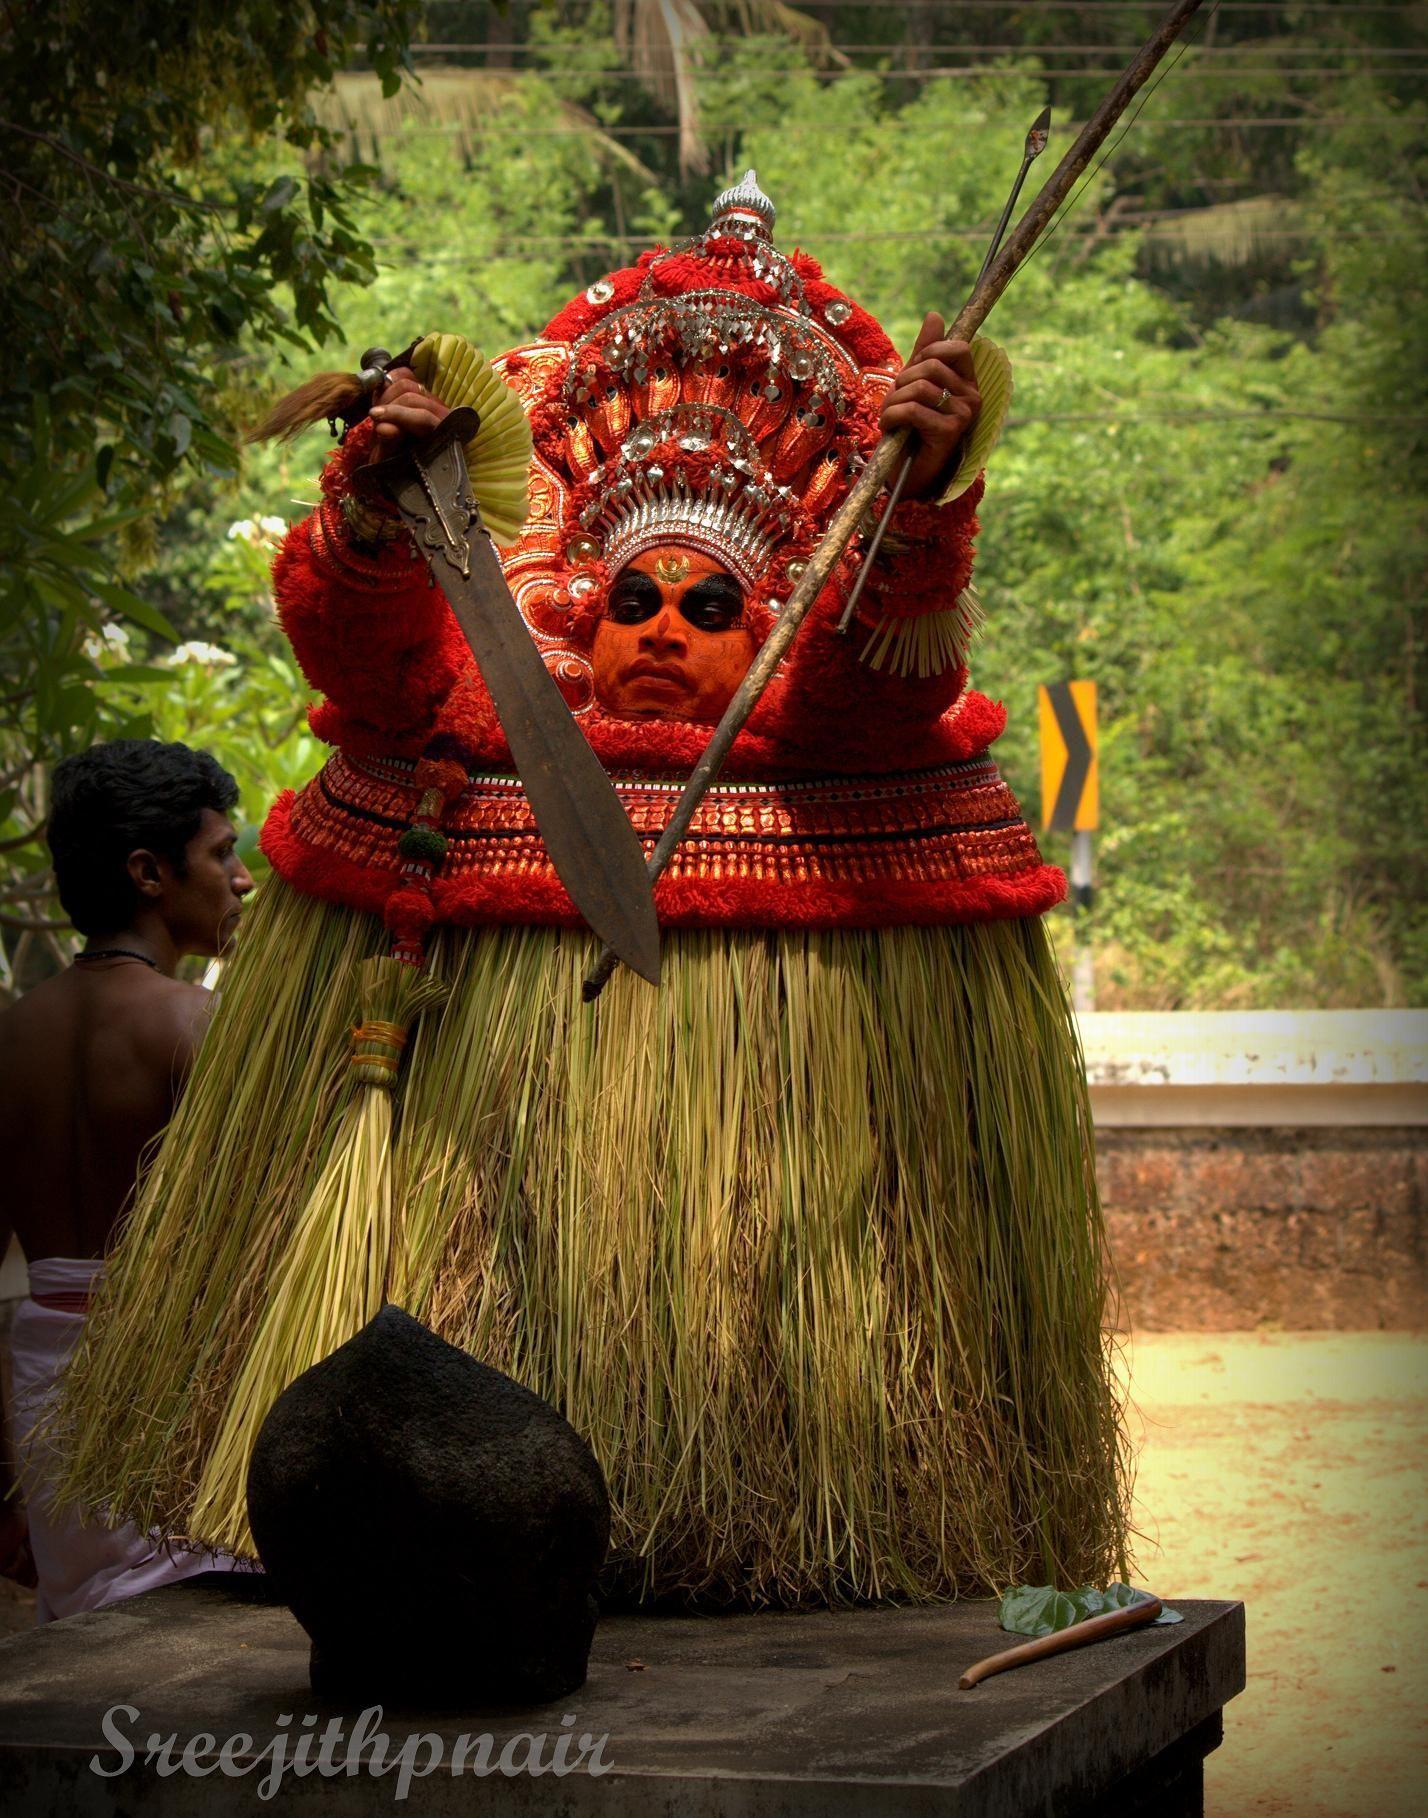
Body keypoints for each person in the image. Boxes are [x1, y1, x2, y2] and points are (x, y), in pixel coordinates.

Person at [57, 174, 1129, 1605]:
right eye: (635, 600)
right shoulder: (476, 711)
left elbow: (879, 687)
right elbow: (371, 666)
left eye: (708, 607)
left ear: (768, 617)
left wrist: (920, 498)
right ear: (584, 601)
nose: (668, 629)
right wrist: (377, 521)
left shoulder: (821, 727)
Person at [0, 739, 253, 1621]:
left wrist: (5, 1489)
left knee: (97, 1648)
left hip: (43, 1385)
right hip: (167, 1380)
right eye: (222, 854)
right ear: (150, 873)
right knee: (208, 1643)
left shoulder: (11, 1036)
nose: (242, 878)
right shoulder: (197, 1027)